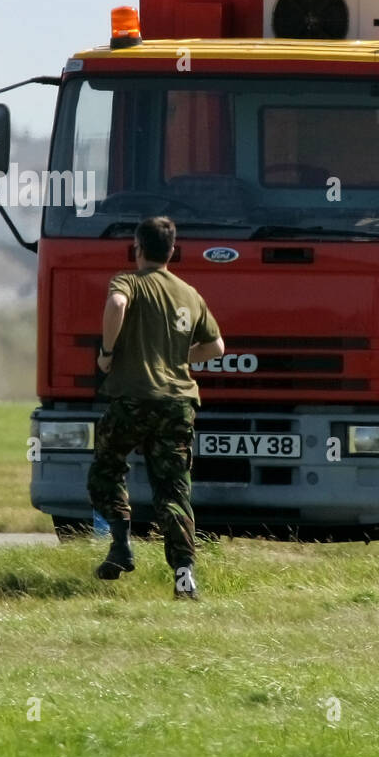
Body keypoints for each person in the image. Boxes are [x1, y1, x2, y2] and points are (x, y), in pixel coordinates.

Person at [87, 217, 224, 600]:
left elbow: (116, 304)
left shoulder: (129, 281)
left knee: (106, 468)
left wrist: (108, 354)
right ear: (172, 249)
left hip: (133, 399)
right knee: (174, 491)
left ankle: (120, 544)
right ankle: (184, 577)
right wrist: (180, 358)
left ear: (138, 246)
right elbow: (217, 348)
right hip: (178, 404)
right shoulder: (189, 293)